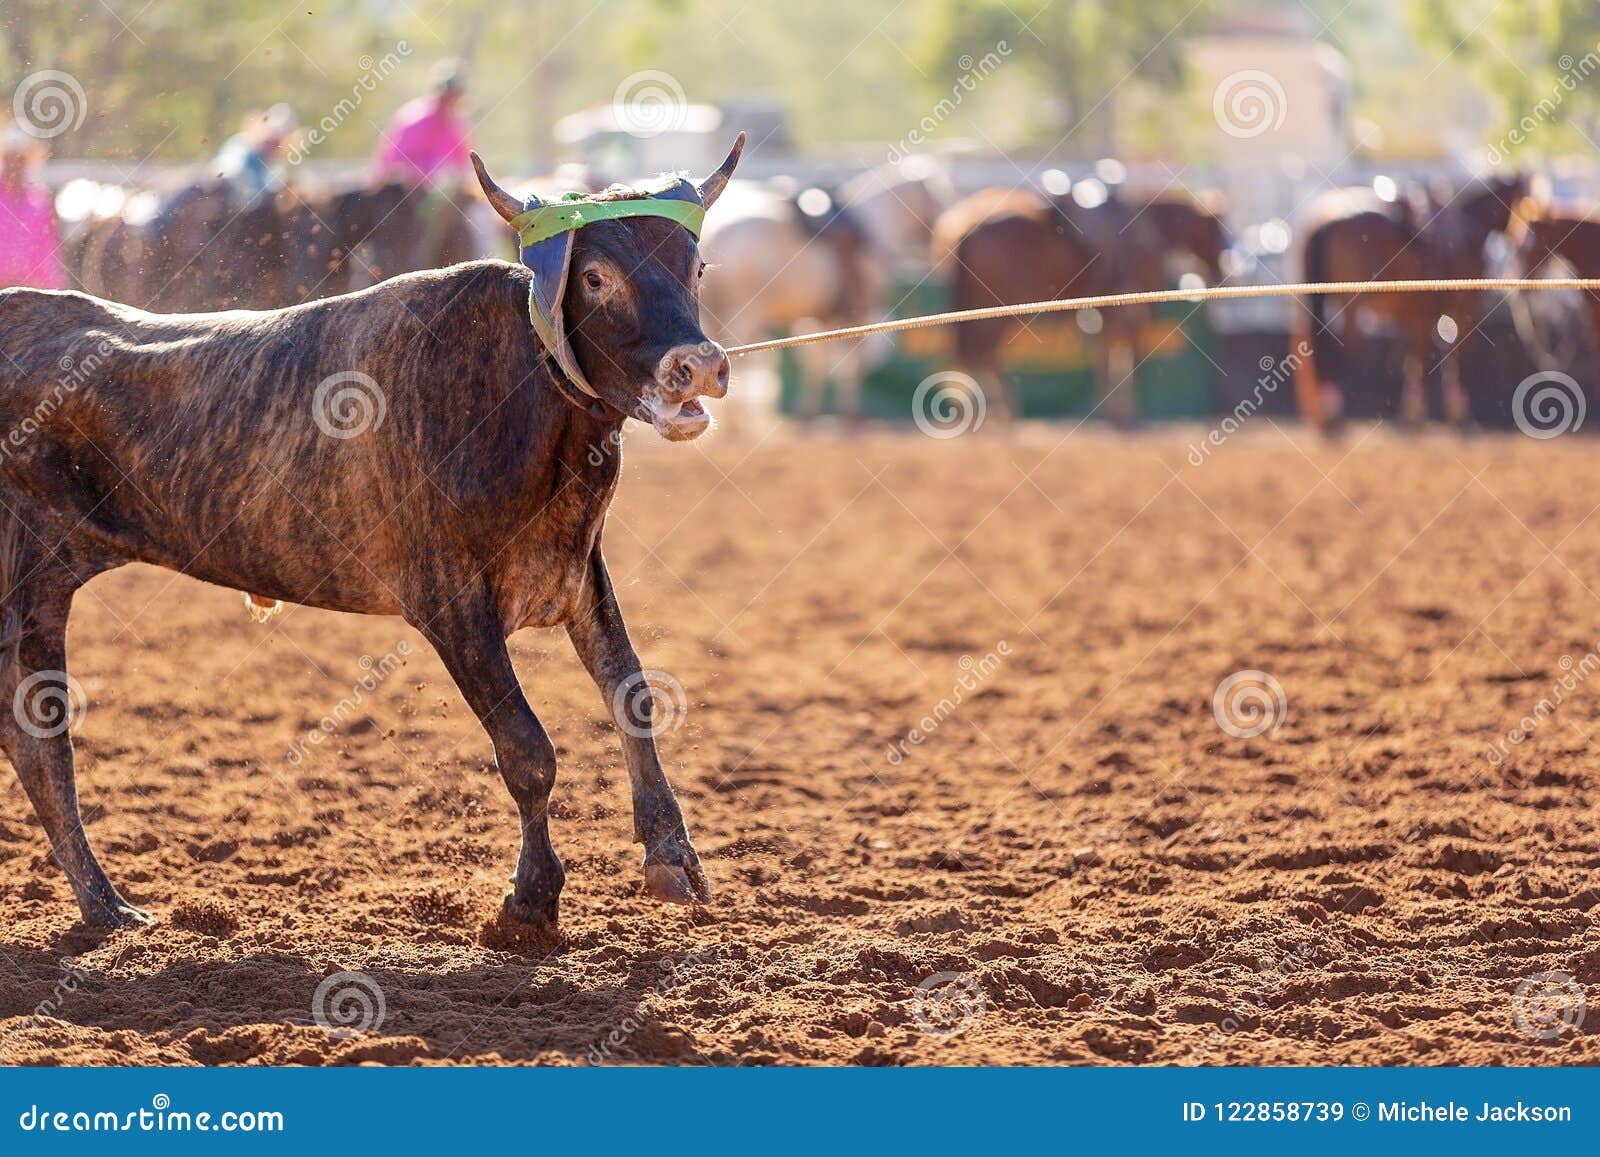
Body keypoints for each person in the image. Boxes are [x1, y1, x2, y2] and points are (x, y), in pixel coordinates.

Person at [371, 60, 472, 191]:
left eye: (456, 95)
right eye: (449, 94)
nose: (453, 99)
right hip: (403, 192)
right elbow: (396, 166)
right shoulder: (415, 119)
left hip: (438, 190)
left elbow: (464, 164)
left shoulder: (454, 125)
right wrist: (434, 173)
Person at [0, 121, 66, 290]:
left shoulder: (40, 201)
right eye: (10, 158)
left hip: (31, 295)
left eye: (20, 159)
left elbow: (48, 251)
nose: (14, 165)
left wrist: (51, 291)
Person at [214, 103, 298, 202]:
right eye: (273, 139)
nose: (274, 143)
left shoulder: (269, 158)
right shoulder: (244, 147)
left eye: (278, 139)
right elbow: (230, 175)